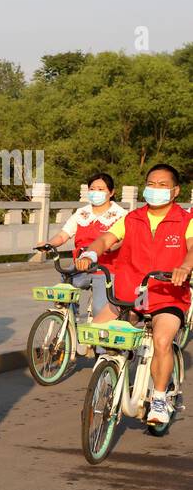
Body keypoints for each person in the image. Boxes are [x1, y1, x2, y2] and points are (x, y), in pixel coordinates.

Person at [77, 164, 193, 425]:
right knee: (98, 331)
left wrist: (185, 266)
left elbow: (192, 247)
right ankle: (111, 376)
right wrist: (90, 253)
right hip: (131, 294)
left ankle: (160, 397)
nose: (155, 189)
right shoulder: (132, 218)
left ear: (175, 191)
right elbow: (106, 239)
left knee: (163, 341)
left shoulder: (186, 220)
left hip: (168, 295)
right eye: (151, 184)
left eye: (162, 185)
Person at [39, 172, 127, 320]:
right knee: (64, 297)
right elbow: (63, 234)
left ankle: (99, 341)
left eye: (101, 189)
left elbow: (125, 239)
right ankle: (69, 329)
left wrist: (115, 246)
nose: (96, 193)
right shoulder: (81, 213)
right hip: (80, 265)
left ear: (111, 192)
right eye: (92, 189)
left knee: (101, 310)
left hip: (105, 270)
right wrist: (49, 244)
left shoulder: (121, 215)